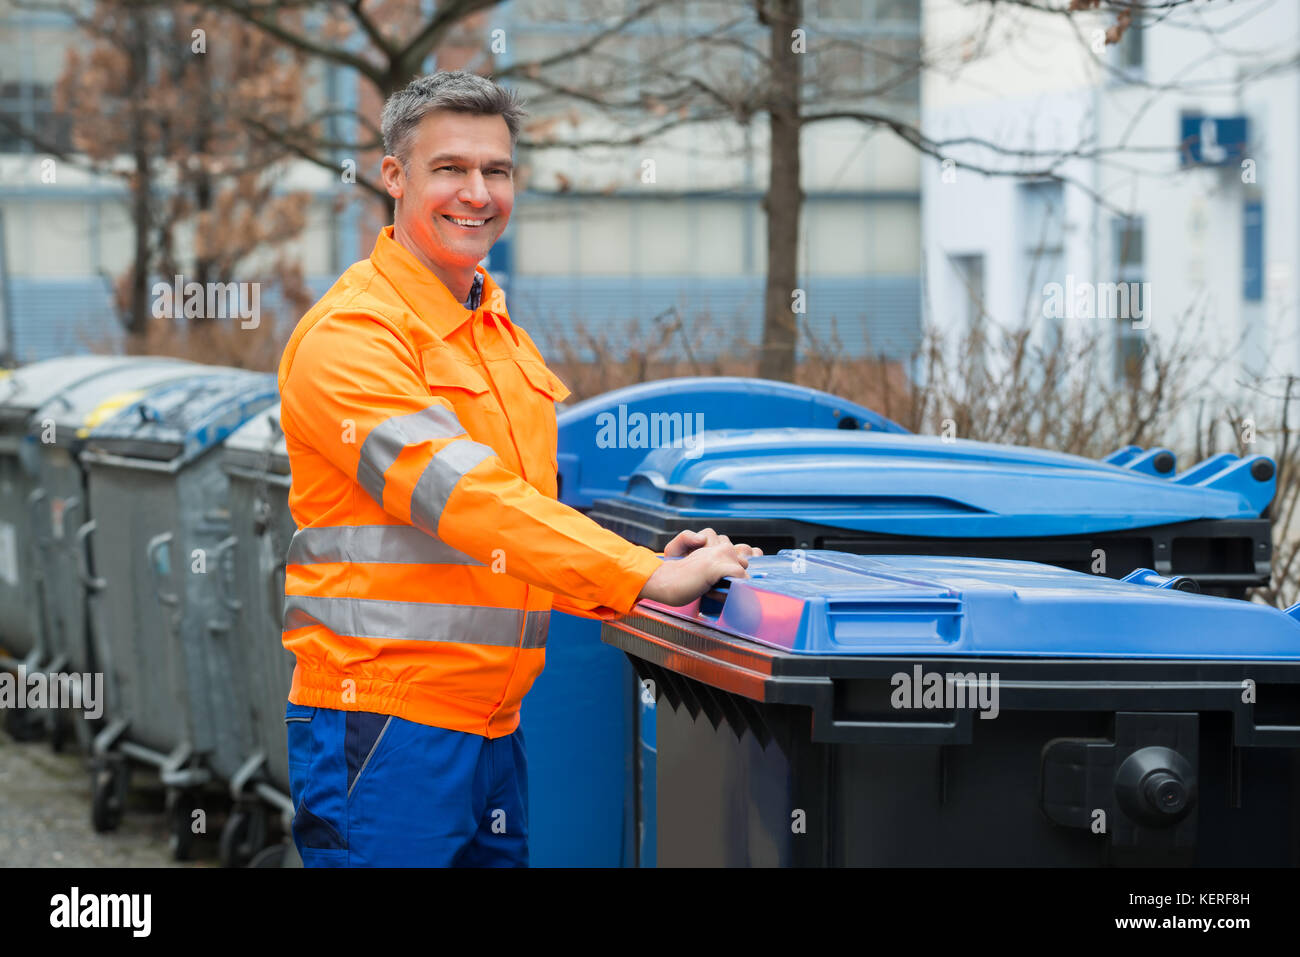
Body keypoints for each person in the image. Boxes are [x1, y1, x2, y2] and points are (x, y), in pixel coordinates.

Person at [276, 70, 762, 867]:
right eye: (450, 169)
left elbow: (526, 517)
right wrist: (636, 575)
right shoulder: (351, 339)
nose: (477, 192)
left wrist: (641, 564)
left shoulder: (493, 330)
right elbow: (469, 502)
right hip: (387, 726)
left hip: (493, 724)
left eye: (496, 171)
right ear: (393, 177)